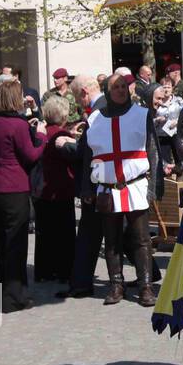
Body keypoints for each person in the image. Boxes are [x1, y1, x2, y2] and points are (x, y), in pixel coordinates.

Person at [79, 73, 163, 305]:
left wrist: (155, 187)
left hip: (135, 186)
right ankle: (116, 285)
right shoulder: (94, 119)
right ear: (107, 91)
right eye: (115, 87)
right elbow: (88, 156)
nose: (120, 90)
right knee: (112, 240)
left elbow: (152, 150)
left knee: (142, 239)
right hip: (106, 190)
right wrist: (86, 187)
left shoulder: (141, 114)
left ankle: (146, 287)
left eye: (123, 86)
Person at [0, 77, 46, 310]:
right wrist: (43, 137)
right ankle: (13, 297)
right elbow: (31, 155)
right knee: (15, 243)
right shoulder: (17, 125)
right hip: (13, 187)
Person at [58, 74, 105, 300]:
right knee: (120, 233)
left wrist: (66, 145)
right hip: (106, 181)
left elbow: (86, 154)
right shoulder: (105, 107)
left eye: (78, 98)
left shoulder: (98, 112)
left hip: (97, 183)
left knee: (88, 236)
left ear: (84, 92)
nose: (78, 103)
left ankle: (80, 283)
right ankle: (148, 273)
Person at [32, 95, 78, 283]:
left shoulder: (40, 133)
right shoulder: (62, 135)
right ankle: (64, 270)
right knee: (64, 232)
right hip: (61, 188)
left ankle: (43, 271)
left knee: (44, 232)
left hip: (42, 189)